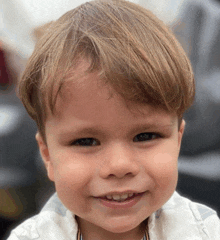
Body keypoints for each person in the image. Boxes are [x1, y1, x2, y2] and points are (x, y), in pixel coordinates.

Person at [7, 0, 220, 239]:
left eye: (145, 136)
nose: (119, 166)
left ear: (177, 142)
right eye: (86, 141)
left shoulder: (205, 232)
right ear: (48, 156)